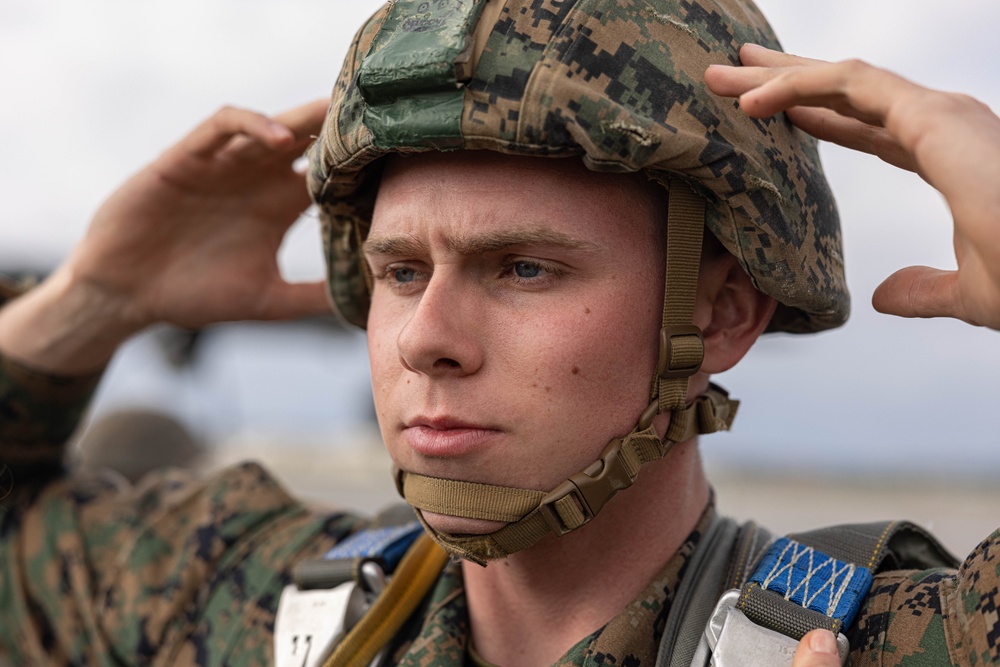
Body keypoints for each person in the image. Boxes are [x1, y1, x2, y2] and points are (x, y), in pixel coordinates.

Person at [1, 1, 998, 666]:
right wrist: (91, 302)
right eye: (399, 271)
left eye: (525, 267)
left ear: (724, 312)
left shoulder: (898, 639)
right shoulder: (257, 606)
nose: (424, 339)